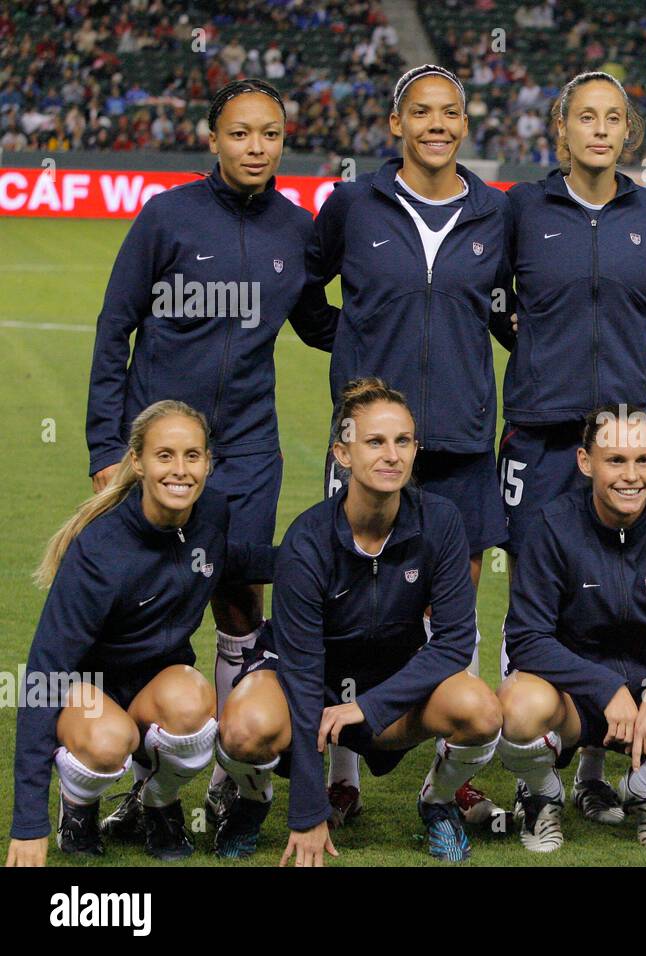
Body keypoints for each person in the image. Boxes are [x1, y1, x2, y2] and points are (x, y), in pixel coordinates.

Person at [83, 78, 337, 827]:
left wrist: (416, 311)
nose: (255, 148)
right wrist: (106, 444)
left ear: (283, 142)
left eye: (269, 135)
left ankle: (235, 772)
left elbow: (323, 326)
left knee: (237, 601)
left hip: (250, 449)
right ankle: (128, 764)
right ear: (213, 139)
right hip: (156, 449)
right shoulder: (167, 216)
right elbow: (112, 328)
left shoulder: (299, 230)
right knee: (140, 601)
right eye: (240, 133)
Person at [307, 64, 513, 827]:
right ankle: (342, 768)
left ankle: (446, 784)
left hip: (458, 445)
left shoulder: (497, 214)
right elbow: (305, 285)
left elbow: (506, 308)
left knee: (448, 616)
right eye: (420, 112)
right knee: (348, 607)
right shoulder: (355, 202)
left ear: (465, 123)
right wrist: (350, 344)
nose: (436, 124)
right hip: (371, 444)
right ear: (395, 125)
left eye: (450, 113)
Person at [497, 71, 646, 823]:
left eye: (614, 118)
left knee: (619, 600)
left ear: (627, 132)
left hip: (626, 443)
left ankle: (598, 769)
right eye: (585, 118)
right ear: (560, 129)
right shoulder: (523, 209)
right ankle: (527, 768)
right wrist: (537, 357)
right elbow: (492, 296)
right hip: (541, 438)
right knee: (532, 599)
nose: (600, 130)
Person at [214, 379, 501, 864]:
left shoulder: (442, 521)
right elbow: (303, 681)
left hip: (383, 695)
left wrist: (368, 706)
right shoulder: (307, 540)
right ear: (342, 455)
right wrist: (307, 812)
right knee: (243, 728)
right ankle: (253, 801)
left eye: (403, 441)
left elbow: (453, 643)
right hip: (304, 687)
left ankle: (437, 803)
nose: (391, 455)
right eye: (374, 442)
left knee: (480, 709)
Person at [7, 401, 275, 866]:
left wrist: (316, 557)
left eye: (193, 455)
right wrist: (28, 822)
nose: (180, 470)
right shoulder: (99, 551)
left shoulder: (210, 511)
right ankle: (77, 804)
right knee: (110, 741)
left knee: (194, 704)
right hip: (88, 694)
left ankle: (157, 802)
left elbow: (225, 559)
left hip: (154, 686)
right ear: (138, 461)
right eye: (164, 455)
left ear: (208, 462)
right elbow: (44, 674)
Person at [496, 404, 646, 852]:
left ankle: (643, 789)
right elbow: (527, 638)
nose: (632, 476)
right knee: (517, 707)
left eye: (644, 460)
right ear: (585, 463)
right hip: (571, 691)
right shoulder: (551, 525)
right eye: (616, 461)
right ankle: (543, 796)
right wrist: (606, 688)